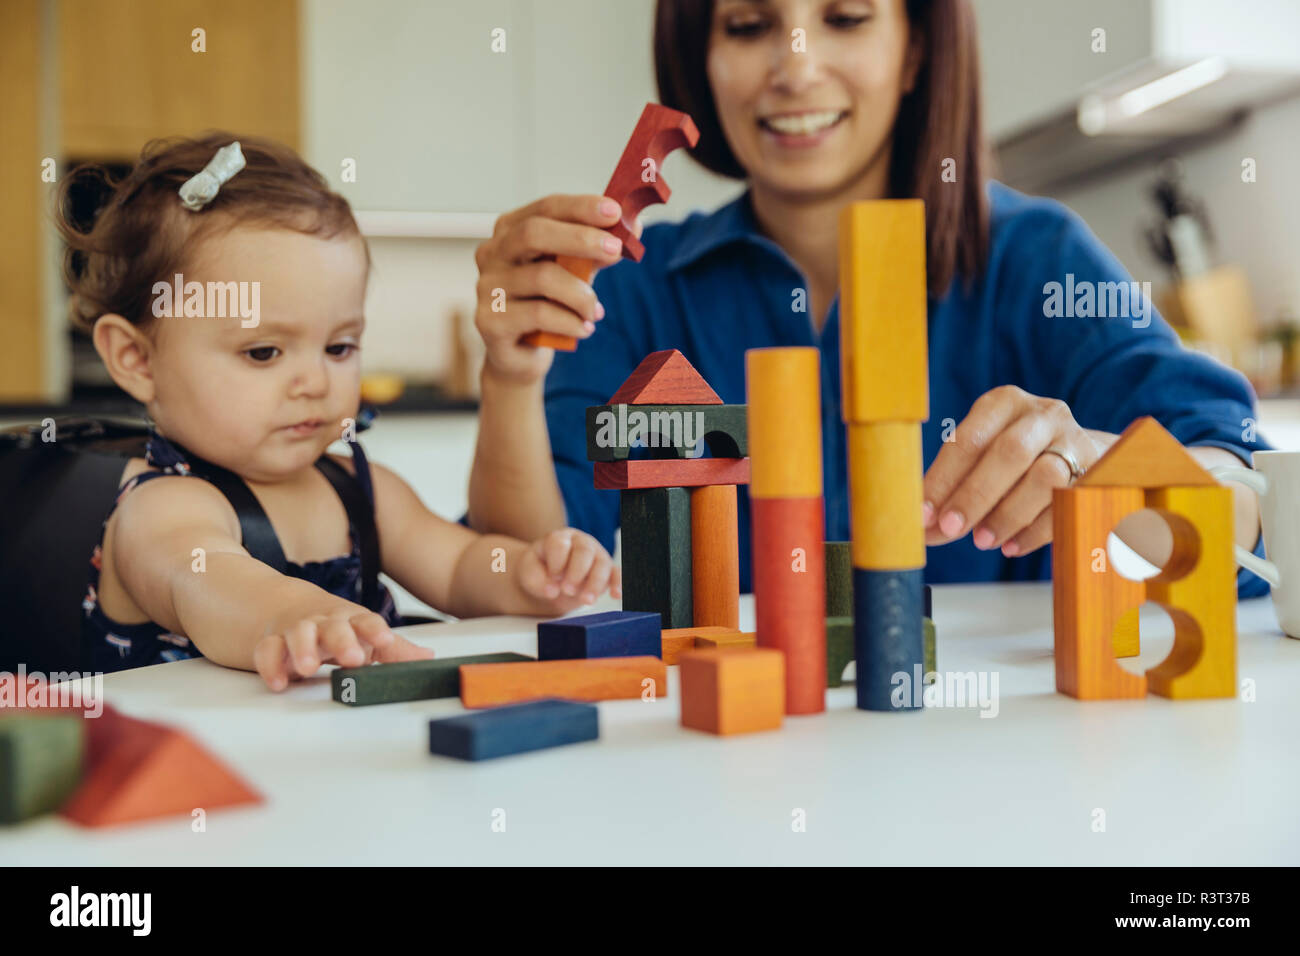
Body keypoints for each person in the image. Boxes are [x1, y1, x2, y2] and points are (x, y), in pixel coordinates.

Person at [468, 0, 1268, 597]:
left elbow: (1245, 500)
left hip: (998, 769)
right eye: (748, 25)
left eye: (846, 16)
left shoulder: (1036, 258)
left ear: (916, 49)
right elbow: (529, 571)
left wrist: (1110, 471)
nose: (795, 67)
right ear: (700, 58)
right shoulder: (635, 290)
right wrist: (510, 377)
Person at [58, 132, 620, 690]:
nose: (315, 381)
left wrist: (530, 574)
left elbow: (459, 567)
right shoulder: (158, 509)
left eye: (339, 347)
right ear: (137, 359)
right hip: (193, 772)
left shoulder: (360, 489)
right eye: (263, 352)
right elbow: (207, 583)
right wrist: (289, 614)